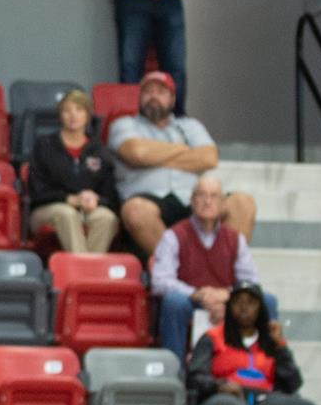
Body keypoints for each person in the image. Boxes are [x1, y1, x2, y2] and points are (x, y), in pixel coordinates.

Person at [109, 71, 254, 257]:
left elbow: (209, 158)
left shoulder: (190, 126)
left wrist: (154, 156)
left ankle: (223, 269)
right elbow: (137, 153)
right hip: (148, 199)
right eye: (148, 91)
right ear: (139, 97)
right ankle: (180, 268)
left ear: (172, 98)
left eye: (160, 92)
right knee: (135, 211)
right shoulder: (124, 124)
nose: (153, 96)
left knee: (242, 203)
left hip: (191, 199)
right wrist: (185, 150)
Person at [150, 176, 272, 360]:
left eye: (214, 196)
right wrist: (197, 293)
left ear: (223, 204)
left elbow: (251, 281)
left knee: (268, 301)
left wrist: (227, 297)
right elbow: (159, 281)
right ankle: (174, 369)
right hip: (189, 300)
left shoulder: (234, 239)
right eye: (202, 195)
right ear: (192, 201)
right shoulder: (173, 236)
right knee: (174, 302)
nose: (208, 202)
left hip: (227, 301)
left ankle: (263, 365)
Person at [185, 282, 319, 405]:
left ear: (260, 308)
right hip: (225, 396)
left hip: (264, 399)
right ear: (229, 307)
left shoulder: (271, 340)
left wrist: (280, 346)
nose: (244, 307)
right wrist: (219, 385)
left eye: (251, 302)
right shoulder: (212, 337)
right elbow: (194, 377)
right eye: (238, 302)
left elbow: (293, 383)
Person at [27, 88, 120, 254]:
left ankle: (87, 273)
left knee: (106, 217)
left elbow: (110, 195)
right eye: (67, 110)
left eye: (79, 110)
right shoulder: (44, 145)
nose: (73, 115)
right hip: (48, 209)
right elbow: (37, 191)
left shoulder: (99, 150)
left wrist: (97, 199)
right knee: (67, 214)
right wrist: (68, 199)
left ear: (88, 115)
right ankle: (84, 272)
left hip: (89, 209)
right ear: (60, 115)